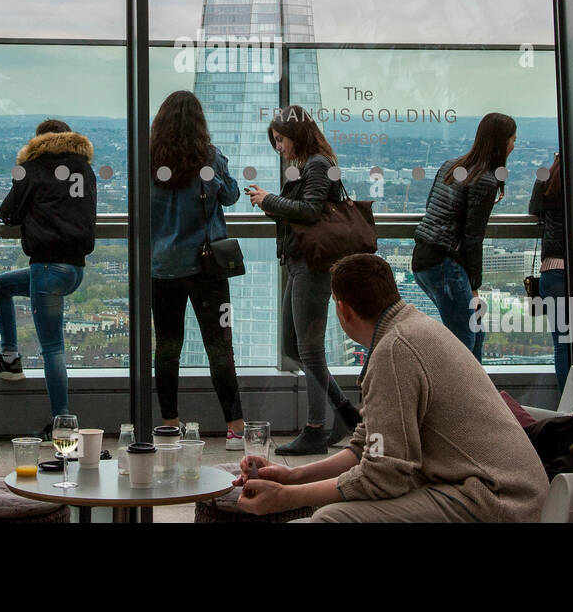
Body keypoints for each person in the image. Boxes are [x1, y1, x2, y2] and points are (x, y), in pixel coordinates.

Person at [235, 253, 549, 523]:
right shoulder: (411, 328)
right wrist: (292, 476)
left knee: (333, 517)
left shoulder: (394, 353)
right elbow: (368, 447)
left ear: (344, 310)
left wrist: (288, 497)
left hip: (495, 501)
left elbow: (384, 475)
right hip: (509, 490)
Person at [245, 106, 361, 455]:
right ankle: (346, 414)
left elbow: (311, 211)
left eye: (280, 140)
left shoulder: (317, 165)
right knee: (294, 348)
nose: (278, 147)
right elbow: (305, 209)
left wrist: (270, 200)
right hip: (299, 263)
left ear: (296, 134)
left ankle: (315, 429)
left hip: (313, 267)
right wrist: (274, 204)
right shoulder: (309, 165)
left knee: (309, 351)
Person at [0, 120, 97, 435]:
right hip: (75, 269)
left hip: (46, 266)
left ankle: (62, 423)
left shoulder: (34, 168)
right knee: (0, 286)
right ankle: (9, 357)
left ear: (39, 141)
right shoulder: (84, 169)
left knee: (53, 349)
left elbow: (8, 212)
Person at [149, 91, 246, 448]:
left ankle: (170, 424)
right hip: (208, 269)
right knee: (220, 347)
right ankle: (235, 426)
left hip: (162, 268)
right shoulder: (209, 157)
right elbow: (232, 195)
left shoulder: (149, 159)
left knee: (168, 347)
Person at [412, 112, 516, 359]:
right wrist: (474, 286)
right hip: (446, 264)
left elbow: (431, 207)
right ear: (501, 143)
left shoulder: (452, 166)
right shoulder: (485, 180)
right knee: (464, 344)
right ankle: (457, 396)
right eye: (512, 139)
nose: (514, 145)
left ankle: (475, 395)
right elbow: (472, 238)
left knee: (476, 334)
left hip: (424, 259)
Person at [529, 152, 570, 392]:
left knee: (562, 343)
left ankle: (570, 402)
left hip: (554, 270)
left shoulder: (548, 178)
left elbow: (535, 208)